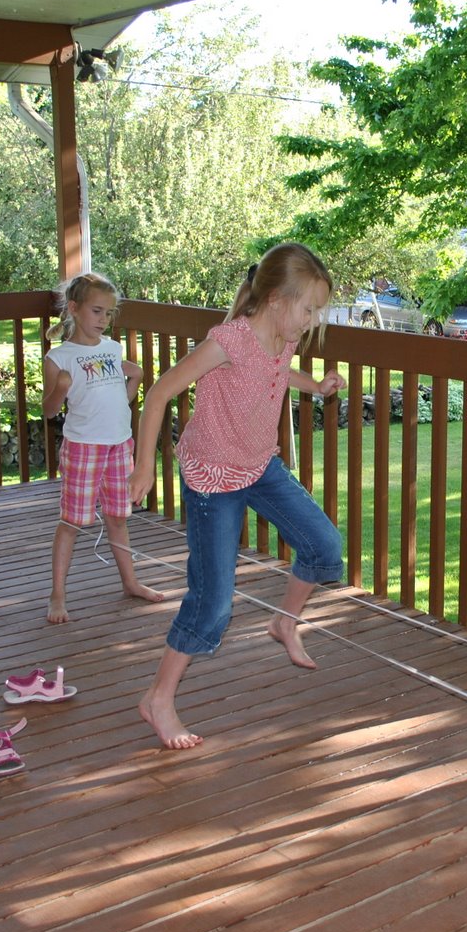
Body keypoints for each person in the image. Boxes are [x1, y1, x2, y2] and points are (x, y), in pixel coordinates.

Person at [128, 242, 346, 750]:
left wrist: (313, 386)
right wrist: (144, 468)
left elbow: (275, 373)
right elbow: (159, 393)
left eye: (317, 310)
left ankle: (283, 622)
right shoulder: (230, 340)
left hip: (259, 465)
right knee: (213, 605)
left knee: (323, 548)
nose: (312, 320)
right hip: (211, 478)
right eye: (308, 308)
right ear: (274, 299)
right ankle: (158, 698)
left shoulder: (283, 339)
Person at [43, 272, 164, 622]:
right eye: (97, 311)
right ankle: (57, 595)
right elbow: (49, 411)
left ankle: (130, 583)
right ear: (75, 308)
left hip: (118, 445)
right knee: (71, 522)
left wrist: (136, 379)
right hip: (83, 448)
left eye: (109, 313)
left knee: (118, 518)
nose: (104, 320)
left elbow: (118, 402)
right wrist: (61, 388)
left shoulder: (113, 349)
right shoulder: (60, 357)